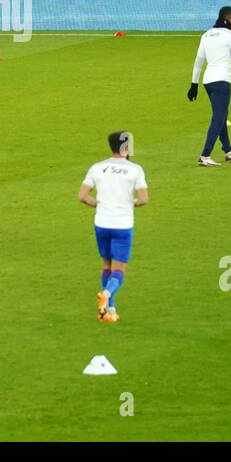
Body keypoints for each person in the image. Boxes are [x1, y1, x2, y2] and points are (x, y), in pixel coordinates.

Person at [78, 131, 148, 323]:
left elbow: (82, 196)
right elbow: (143, 199)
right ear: (127, 147)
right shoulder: (135, 170)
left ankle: (109, 310)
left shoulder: (97, 167)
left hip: (101, 223)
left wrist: (99, 204)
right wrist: (129, 203)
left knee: (106, 266)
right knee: (119, 270)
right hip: (122, 225)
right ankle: (107, 294)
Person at [188, 5, 231, 166]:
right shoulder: (230, 35)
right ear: (229, 19)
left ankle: (229, 151)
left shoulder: (206, 35)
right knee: (218, 117)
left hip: (207, 81)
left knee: (221, 115)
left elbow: (198, 62)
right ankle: (205, 155)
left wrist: (193, 84)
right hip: (222, 81)